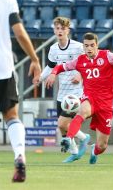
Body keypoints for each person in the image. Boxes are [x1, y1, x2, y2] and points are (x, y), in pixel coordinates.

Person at [45, 32, 113, 164]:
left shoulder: (107, 56)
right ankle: (69, 139)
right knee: (82, 111)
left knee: (102, 145)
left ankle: (94, 150)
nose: (89, 48)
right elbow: (61, 67)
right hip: (89, 97)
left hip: (106, 103)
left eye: (92, 45)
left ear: (97, 45)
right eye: (86, 46)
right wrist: (53, 73)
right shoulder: (80, 60)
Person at [0, 0, 41, 182]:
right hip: (2, 65)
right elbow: (20, 33)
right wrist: (34, 59)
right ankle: (19, 156)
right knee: (11, 115)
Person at [37, 17, 90, 163]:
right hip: (62, 94)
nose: (60, 31)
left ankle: (82, 140)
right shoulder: (53, 49)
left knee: (62, 123)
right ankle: (76, 149)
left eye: (62, 28)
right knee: (62, 128)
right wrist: (40, 78)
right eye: (57, 28)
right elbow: (51, 66)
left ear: (68, 30)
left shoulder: (78, 47)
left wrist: (79, 74)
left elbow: (86, 64)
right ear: (54, 30)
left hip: (76, 93)